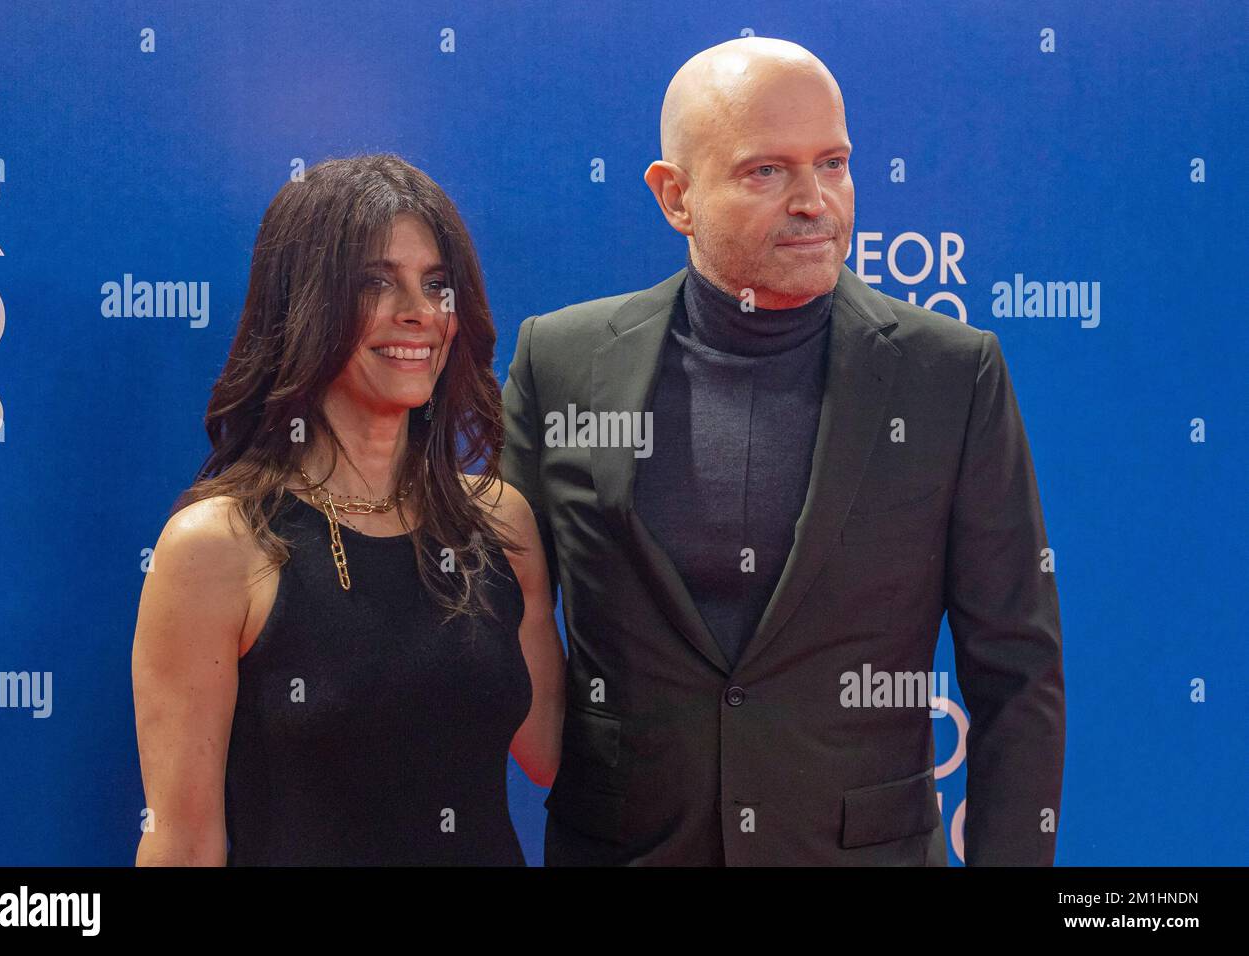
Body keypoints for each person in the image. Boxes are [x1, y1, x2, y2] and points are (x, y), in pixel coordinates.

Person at [501, 37, 1065, 865]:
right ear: (675, 196)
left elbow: (1017, 676)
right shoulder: (560, 362)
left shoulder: (950, 374)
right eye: (767, 171)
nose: (815, 201)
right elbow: (489, 628)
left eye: (833, 163)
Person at [132, 154, 564, 866]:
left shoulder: (499, 521)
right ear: (301, 302)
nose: (419, 313)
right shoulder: (219, 545)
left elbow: (552, 752)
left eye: (436, 285)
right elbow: (182, 846)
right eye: (374, 283)